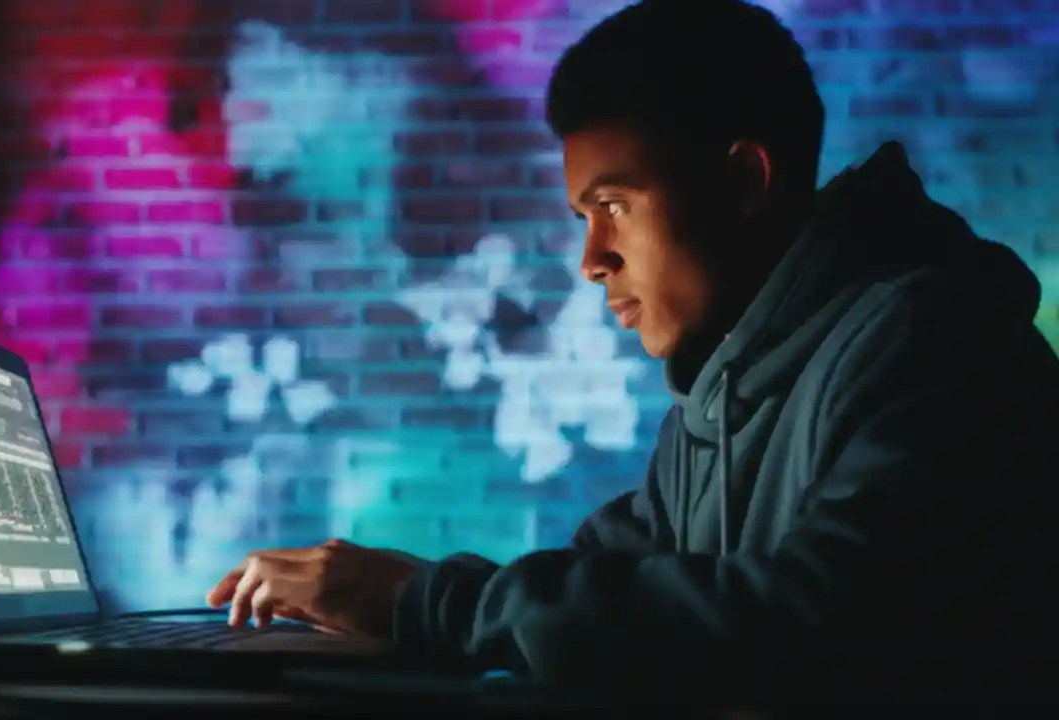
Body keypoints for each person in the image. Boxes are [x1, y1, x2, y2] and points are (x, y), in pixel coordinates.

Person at [206, 0, 1059, 702]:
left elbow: (817, 623)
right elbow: (595, 586)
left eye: (614, 205)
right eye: (584, 219)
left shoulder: (933, 343)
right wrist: (384, 598)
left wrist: (424, 601)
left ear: (743, 183)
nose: (591, 260)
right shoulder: (716, 401)